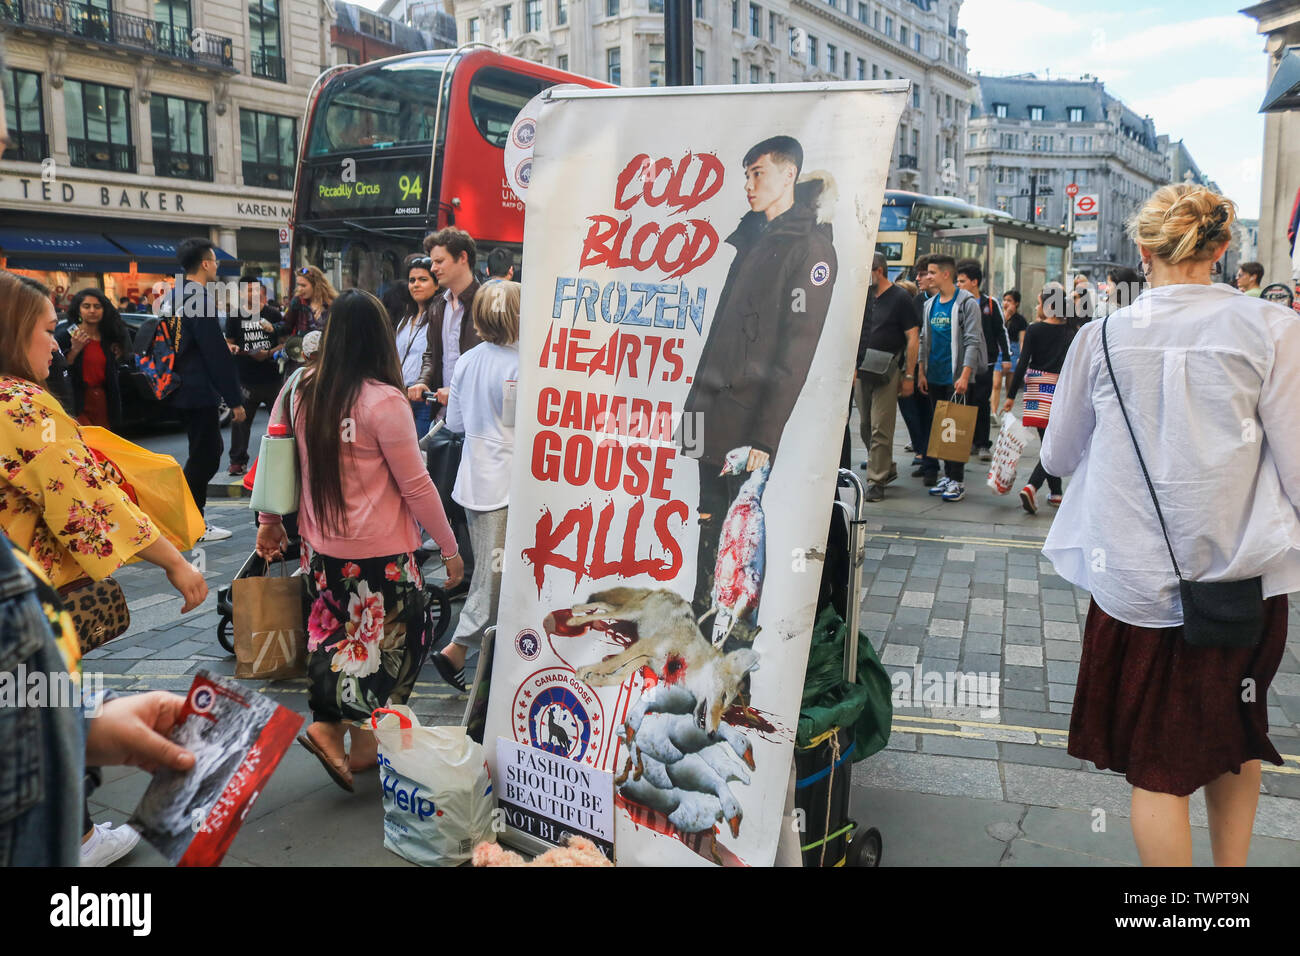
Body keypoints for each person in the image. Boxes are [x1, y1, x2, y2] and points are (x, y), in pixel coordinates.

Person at [1041, 183, 1300, 866]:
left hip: (1134, 586)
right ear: (1223, 247)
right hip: (1240, 584)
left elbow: (1058, 456)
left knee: (1158, 766)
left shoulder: (1101, 335)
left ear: (1143, 248)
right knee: (1236, 734)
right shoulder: (1274, 329)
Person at [0, 270, 208, 865]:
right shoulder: (19, 404)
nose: (58, 343)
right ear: (14, 331)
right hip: (24, 597)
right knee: (37, 709)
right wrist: (175, 561)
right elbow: (87, 501)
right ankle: (78, 837)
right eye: (48, 330)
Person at [254, 290, 463, 791]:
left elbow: (276, 455)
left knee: (335, 639)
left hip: (320, 547)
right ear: (379, 338)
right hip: (380, 552)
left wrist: (269, 519)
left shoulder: (300, 387)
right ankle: (331, 728)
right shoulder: (383, 400)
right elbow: (416, 485)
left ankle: (361, 741)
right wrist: (450, 548)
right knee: (403, 641)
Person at [681, 134, 836, 629]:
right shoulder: (753, 236)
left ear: (789, 174)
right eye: (745, 174)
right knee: (709, 519)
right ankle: (703, 619)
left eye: (758, 173)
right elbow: (720, 334)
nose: (748, 184)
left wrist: (764, 438)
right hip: (709, 410)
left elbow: (796, 351)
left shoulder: (810, 249)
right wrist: (691, 416)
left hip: (748, 422)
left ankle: (736, 640)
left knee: (741, 532)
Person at [431, 280, 521, 692]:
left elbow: (454, 423)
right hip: (504, 485)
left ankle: (484, 656)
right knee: (494, 575)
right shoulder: (521, 366)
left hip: (473, 479)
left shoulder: (467, 360)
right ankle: (458, 648)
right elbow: (518, 425)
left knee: (492, 568)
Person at [407, 227, 483, 597]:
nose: (434, 268)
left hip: (479, 418)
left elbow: (493, 355)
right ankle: (464, 573)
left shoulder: (485, 301)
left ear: (462, 258)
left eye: (439, 261)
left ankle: (474, 575)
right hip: (446, 416)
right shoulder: (439, 306)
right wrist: (424, 380)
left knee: (472, 499)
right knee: (448, 493)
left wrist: (461, 390)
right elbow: (432, 355)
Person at [167, 238, 246, 542]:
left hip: (178, 384)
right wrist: (235, 399)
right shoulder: (198, 297)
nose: (217, 266)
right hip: (197, 388)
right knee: (207, 454)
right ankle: (193, 523)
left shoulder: (174, 294)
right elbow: (215, 354)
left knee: (203, 451)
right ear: (205, 263)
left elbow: (185, 342)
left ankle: (189, 520)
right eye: (215, 261)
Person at [916, 255, 986, 500]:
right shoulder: (929, 304)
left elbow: (972, 340)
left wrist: (965, 375)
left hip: (956, 377)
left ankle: (957, 481)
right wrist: (921, 371)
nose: (928, 277)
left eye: (932, 272)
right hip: (934, 375)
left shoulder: (967, 303)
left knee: (956, 431)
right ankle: (948, 475)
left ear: (946, 274)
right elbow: (924, 339)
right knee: (942, 429)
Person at [1002, 282, 1074, 514]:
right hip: (1060, 393)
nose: (1036, 306)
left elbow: (1023, 362)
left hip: (1036, 393)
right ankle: (1044, 489)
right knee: (1052, 444)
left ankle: (1044, 489)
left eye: (1039, 303)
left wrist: (1010, 396)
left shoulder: (1034, 330)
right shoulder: (1070, 331)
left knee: (1049, 443)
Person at [855, 252, 919, 501]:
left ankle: (876, 479)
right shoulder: (863, 296)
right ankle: (885, 465)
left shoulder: (900, 298)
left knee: (881, 426)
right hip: (862, 368)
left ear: (878, 270)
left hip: (888, 370)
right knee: (865, 425)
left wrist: (909, 375)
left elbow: (913, 337)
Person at [224, 275, 283, 477]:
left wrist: (268, 353)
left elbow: (285, 342)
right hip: (245, 379)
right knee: (240, 422)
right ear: (241, 293)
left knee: (281, 422)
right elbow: (229, 342)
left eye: (257, 289)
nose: (254, 293)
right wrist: (234, 349)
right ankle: (237, 462)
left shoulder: (273, 314)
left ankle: (283, 461)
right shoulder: (235, 316)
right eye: (249, 290)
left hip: (273, 378)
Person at [956, 259, 1011, 462]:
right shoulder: (958, 304)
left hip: (986, 362)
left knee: (981, 401)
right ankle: (968, 441)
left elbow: (1000, 331)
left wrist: (1006, 357)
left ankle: (982, 444)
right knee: (966, 402)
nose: (958, 285)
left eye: (962, 281)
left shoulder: (990, 304)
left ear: (974, 282)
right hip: (964, 363)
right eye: (957, 281)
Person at [56, 288, 131, 431]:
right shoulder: (67, 335)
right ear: (78, 310)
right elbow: (57, 370)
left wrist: (119, 355)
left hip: (103, 401)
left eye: (97, 306)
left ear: (104, 310)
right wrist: (74, 350)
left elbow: (123, 363)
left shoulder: (110, 338)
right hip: (76, 400)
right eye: (86, 306)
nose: (92, 311)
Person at [393, 253, 440, 439]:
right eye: (412, 280)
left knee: (419, 451)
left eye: (423, 279)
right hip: (400, 396)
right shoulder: (406, 319)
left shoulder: (439, 318)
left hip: (424, 400)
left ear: (436, 285)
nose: (416, 285)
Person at [899, 256, 934, 473]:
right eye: (917, 275)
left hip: (938, 367)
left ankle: (932, 459)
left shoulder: (953, 301)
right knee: (913, 410)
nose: (918, 278)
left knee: (931, 413)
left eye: (922, 274)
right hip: (916, 365)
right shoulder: (918, 301)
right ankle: (922, 451)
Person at [280, 265, 336, 339]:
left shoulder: (332, 303)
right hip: (302, 345)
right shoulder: (297, 301)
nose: (299, 289)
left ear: (316, 285)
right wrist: (273, 328)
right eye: (298, 285)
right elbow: (286, 325)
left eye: (303, 285)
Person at [998, 289, 1028, 413]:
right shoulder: (999, 316)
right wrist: (1005, 316)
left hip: (1014, 350)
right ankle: (993, 412)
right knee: (996, 383)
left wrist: (1022, 355)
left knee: (1010, 384)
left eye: (1009, 300)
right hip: (999, 350)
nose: (1006, 303)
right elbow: (998, 331)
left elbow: (1022, 340)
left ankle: (1007, 410)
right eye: (1004, 300)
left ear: (1016, 303)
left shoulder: (1020, 320)